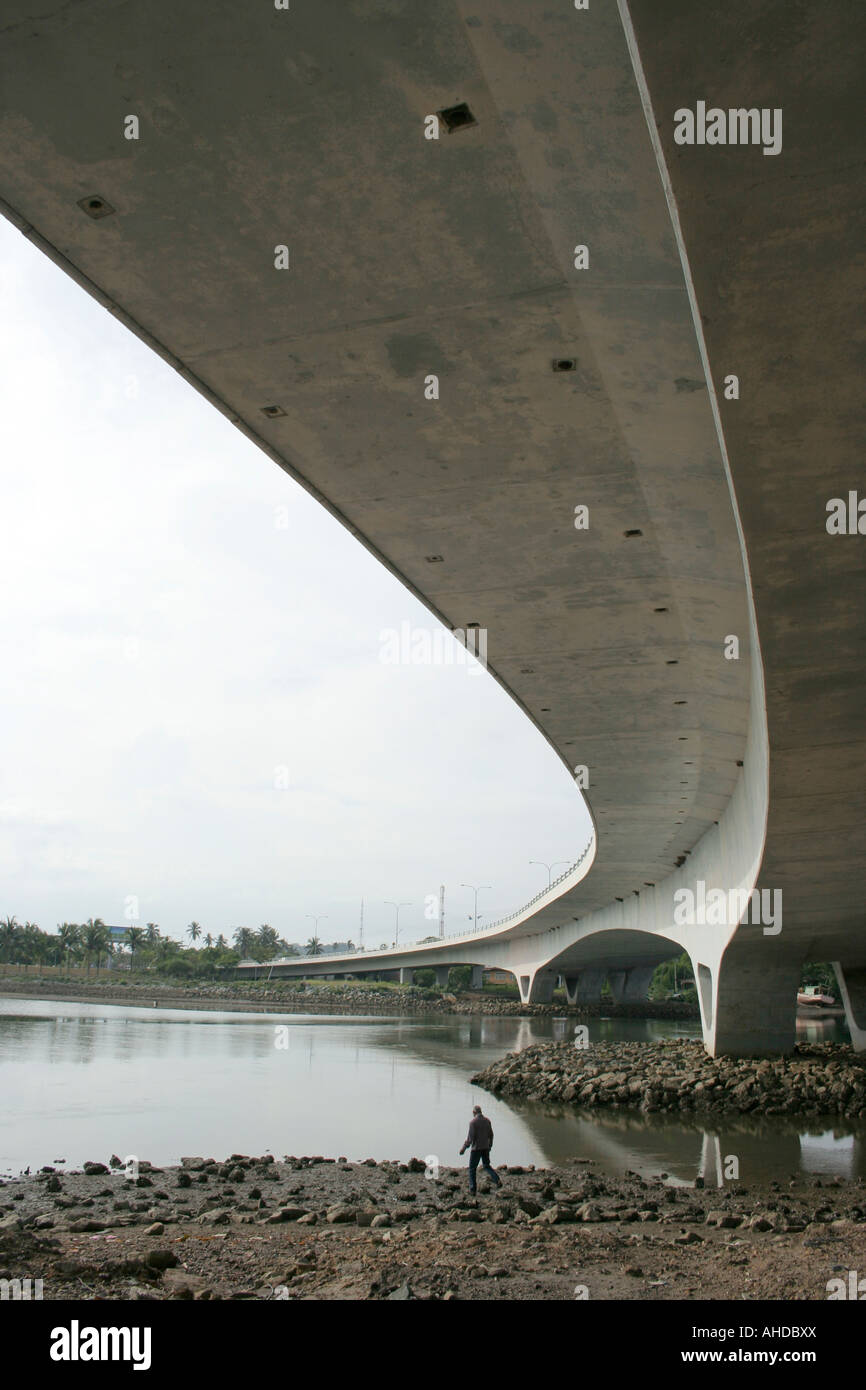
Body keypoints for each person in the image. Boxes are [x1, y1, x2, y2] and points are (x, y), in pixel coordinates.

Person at [459, 1104, 502, 1195]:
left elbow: (470, 1139)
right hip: (485, 1147)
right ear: (481, 1112)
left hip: (476, 1149)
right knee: (486, 1165)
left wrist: (463, 1148)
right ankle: (497, 1180)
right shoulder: (487, 1121)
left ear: (474, 1112)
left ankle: (472, 1189)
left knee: (472, 1169)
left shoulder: (473, 1123)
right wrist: (490, 1145)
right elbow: (491, 1135)